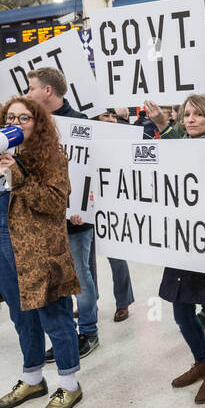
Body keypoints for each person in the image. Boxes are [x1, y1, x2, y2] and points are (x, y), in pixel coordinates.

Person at [0, 96, 83, 408]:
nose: (16, 124)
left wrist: (17, 176)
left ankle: (70, 383)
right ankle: (33, 377)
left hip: (41, 250)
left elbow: (54, 201)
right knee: (22, 318)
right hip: (4, 246)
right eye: (10, 118)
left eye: (24, 119)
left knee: (55, 317)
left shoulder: (51, 157)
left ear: (38, 124)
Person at [146, 94, 205, 404]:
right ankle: (200, 360)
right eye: (186, 115)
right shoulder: (178, 150)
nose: (190, 120)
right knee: (181, 309)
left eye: (197, 114)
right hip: (182, 243)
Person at [25, 66, 100, 358]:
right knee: (56, 280)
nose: (27, 94)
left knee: (80, 277)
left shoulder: (80, 123)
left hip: (75, 221)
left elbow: (91, 172)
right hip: (46, 219)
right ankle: (66, 335)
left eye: (31, 88)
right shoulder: (34, 126)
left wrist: (85, 208)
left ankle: (89, 332)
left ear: (47, 90)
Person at [87, 109, 137, 321]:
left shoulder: (124, 140)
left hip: (114, 207)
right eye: (106, 116)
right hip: (87, 207)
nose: (110, 120)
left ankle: (123, 302)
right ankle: (88, 302)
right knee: (85, 262)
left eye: (113, 116)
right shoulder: (85, 140)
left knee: (117, 258)